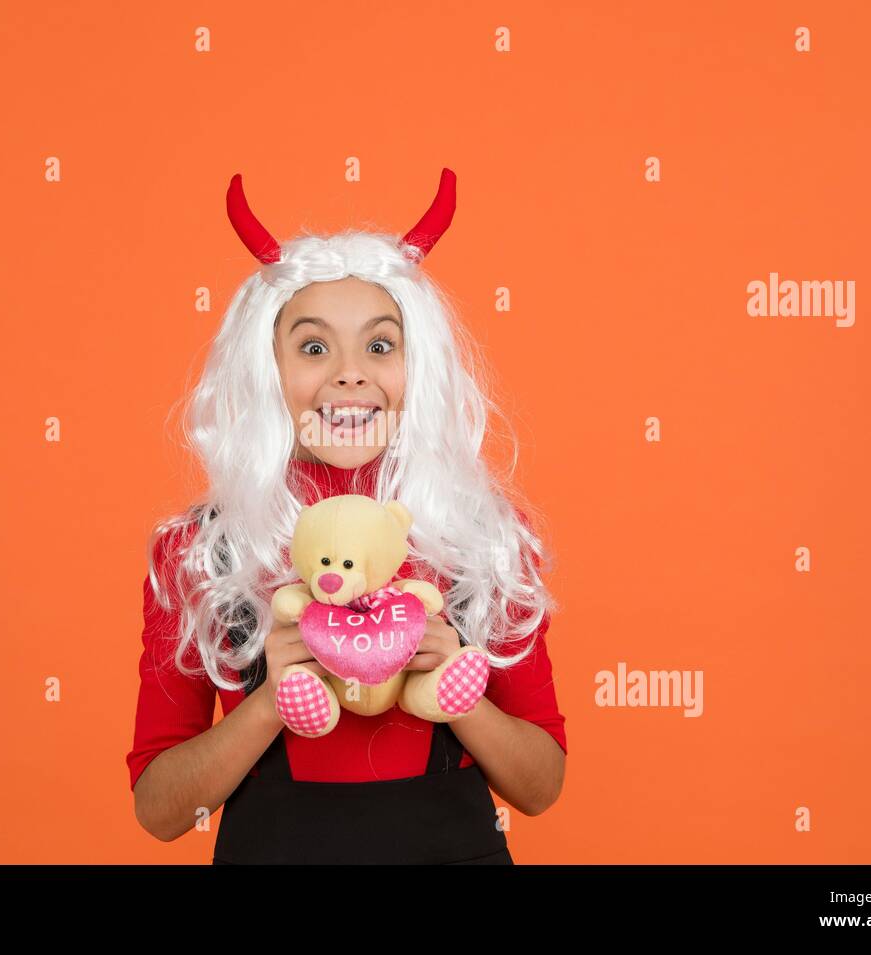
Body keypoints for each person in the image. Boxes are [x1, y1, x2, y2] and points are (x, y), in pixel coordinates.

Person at [126, 168, 566, 864]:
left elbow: (541, 786)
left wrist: (459, 690)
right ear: (265, 369)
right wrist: (270, 700)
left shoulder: (479, 535)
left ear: (417, 368)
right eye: (312, 346)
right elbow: (160, 808)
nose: (351, 373)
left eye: (380, 345)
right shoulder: (201, 551)